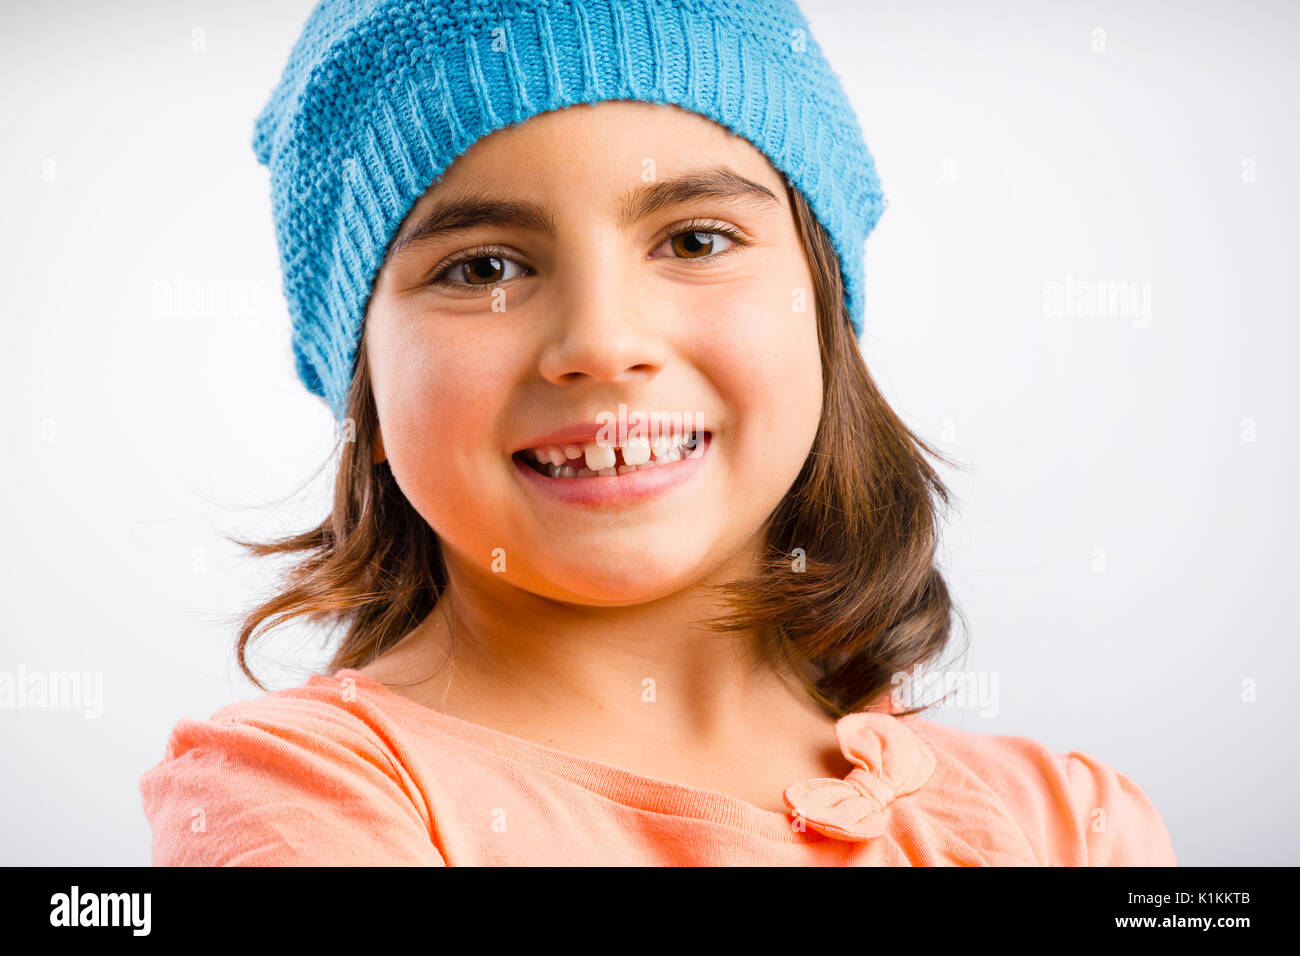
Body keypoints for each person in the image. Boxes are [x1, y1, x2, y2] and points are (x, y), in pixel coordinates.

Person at [140, 0, 1177, 866]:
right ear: (364, 388)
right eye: (484, 268)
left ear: (823, 319)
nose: (601, 342)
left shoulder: (1069, 825)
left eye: (694, 239)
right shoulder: (299, 799)